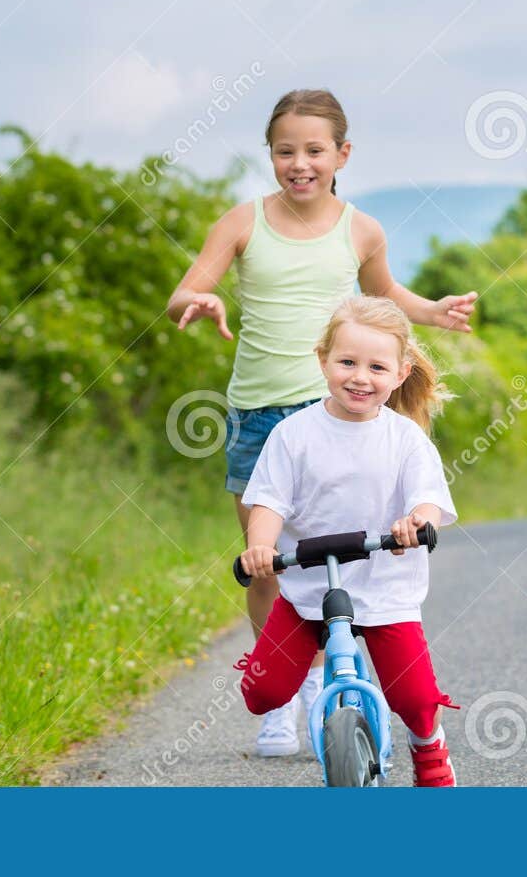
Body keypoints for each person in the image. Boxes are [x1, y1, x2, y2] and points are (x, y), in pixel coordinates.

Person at [166, 89, 477, 756]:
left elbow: (384, 295)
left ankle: (337, 663)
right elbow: (187, 288)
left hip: (337, 415)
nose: (299, 163)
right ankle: (290, 694)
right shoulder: (242, 222)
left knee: (345, 554)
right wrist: (195, 298)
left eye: (314, 150)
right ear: (270, 155)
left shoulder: (360, 228)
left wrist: (433, 310)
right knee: (271, 565)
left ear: (342, 154)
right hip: (258, 417)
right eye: (285, 151)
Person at [236, 296, 459, 786]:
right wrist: (261, 547)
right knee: (263, 693)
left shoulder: (405, 439)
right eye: (347, 362)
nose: (360, 377)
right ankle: (287, 689)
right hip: (310, 587)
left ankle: (429, 751)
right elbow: (269, 502)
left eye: (377, 366)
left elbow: (427, 502)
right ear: (323, 361)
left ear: (400, 374)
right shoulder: (293, 434)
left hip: (384, 588)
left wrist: (412, 525)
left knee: (416, 700)